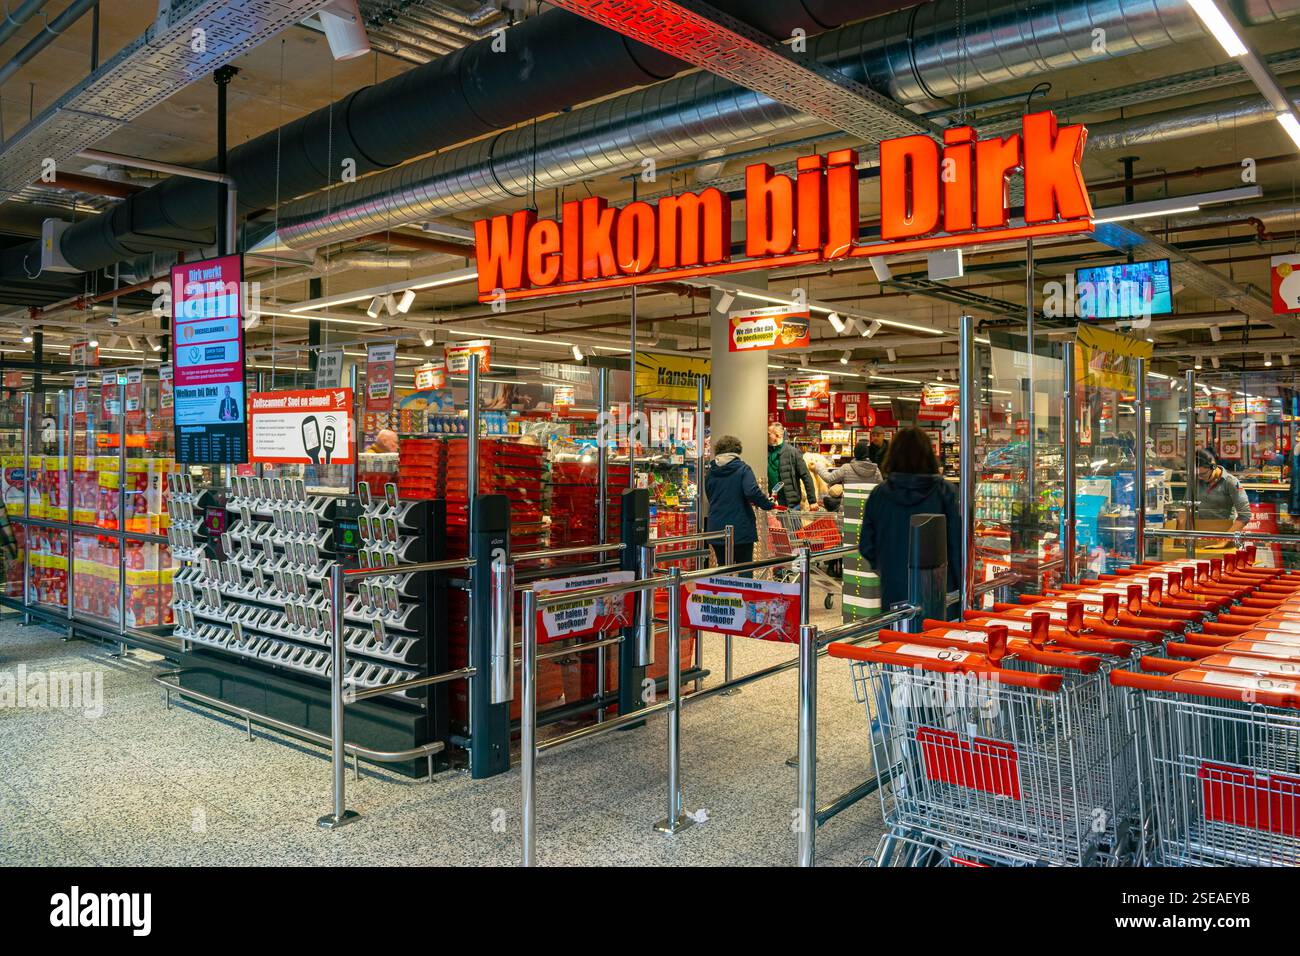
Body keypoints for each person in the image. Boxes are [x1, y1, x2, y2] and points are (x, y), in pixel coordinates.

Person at [858, 425, 961, 614]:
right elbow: (957, 547)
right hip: (940, 594)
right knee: (938, 640)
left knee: (897, 641)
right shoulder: (945, 492)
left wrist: (887, 566)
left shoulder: (879, 495)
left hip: (894, 593)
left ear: (893, 455)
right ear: (929, 455)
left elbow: (866, 545)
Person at [705, 435, 776, 571]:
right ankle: (743, 593)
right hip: (740, 528)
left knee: (723, 569)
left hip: (717, 529)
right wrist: (768, 504)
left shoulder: (711, 472)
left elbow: (710, 496)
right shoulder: (743, 469)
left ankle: (725, 592)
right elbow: (752, 492)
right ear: (737, 451)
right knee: (745, 569)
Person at [1190, 447, 1251, 542]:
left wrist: (1225, 540)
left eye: (1203, 474)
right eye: (1197, 474)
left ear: (1213, 466)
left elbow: (1245, 514)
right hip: (1200, 534)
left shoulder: (1231, 482)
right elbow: (1185, 508)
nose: (1200, 478)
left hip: (1225, 533)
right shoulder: (1196, 481)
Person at [812, 438, 882, 512]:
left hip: (848, 509)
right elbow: (881, 490)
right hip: (867, 509)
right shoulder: (875, 470)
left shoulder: (846, 468)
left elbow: (829, 478)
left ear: (855, 453)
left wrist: (819, 466)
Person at [767, 422, 817, 510]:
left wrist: (812, 501)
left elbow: (806, 476)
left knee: (793, 524)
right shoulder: (765, 452)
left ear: (777, 435)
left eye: (768, 434)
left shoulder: (793, 453)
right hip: (770, 504)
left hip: (790, 504)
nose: (766, 436)